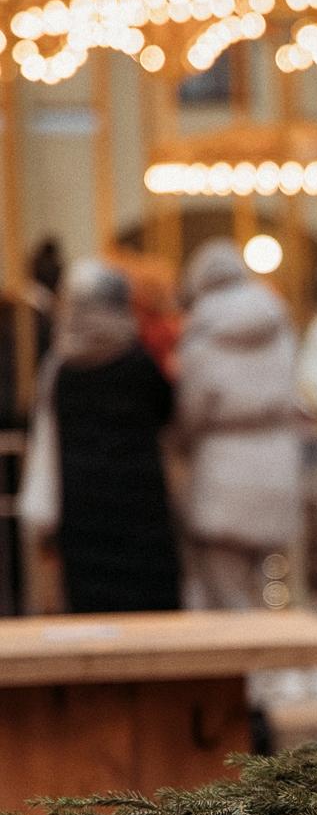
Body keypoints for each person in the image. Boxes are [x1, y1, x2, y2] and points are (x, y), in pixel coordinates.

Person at [20, 258, 180, 613]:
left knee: (93, 611)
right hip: (140, 506)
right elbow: (167, 412)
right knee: (148, 613)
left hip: (82, 506)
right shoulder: (138, 363)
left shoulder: (63, 370)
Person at [176, 237, 301, 610]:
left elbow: (192, 410)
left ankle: (244, 666)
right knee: (264, 586)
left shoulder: (201, 332)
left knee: (224, 591)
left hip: (222, 470)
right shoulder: (277, 322)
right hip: (276, 466)